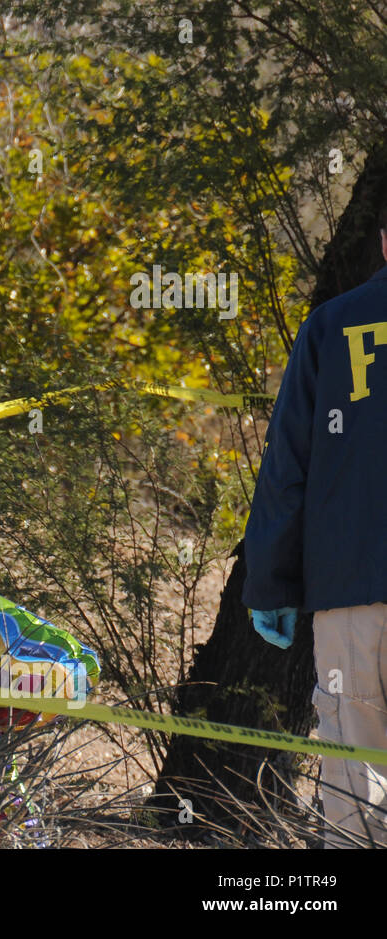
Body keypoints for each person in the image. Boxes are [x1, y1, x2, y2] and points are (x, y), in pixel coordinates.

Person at [243, 211, 387, 848]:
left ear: (384, 241)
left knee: (356, 794)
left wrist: (270, 584)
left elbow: (288, 467)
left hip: (350, 598)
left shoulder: (332, 326)